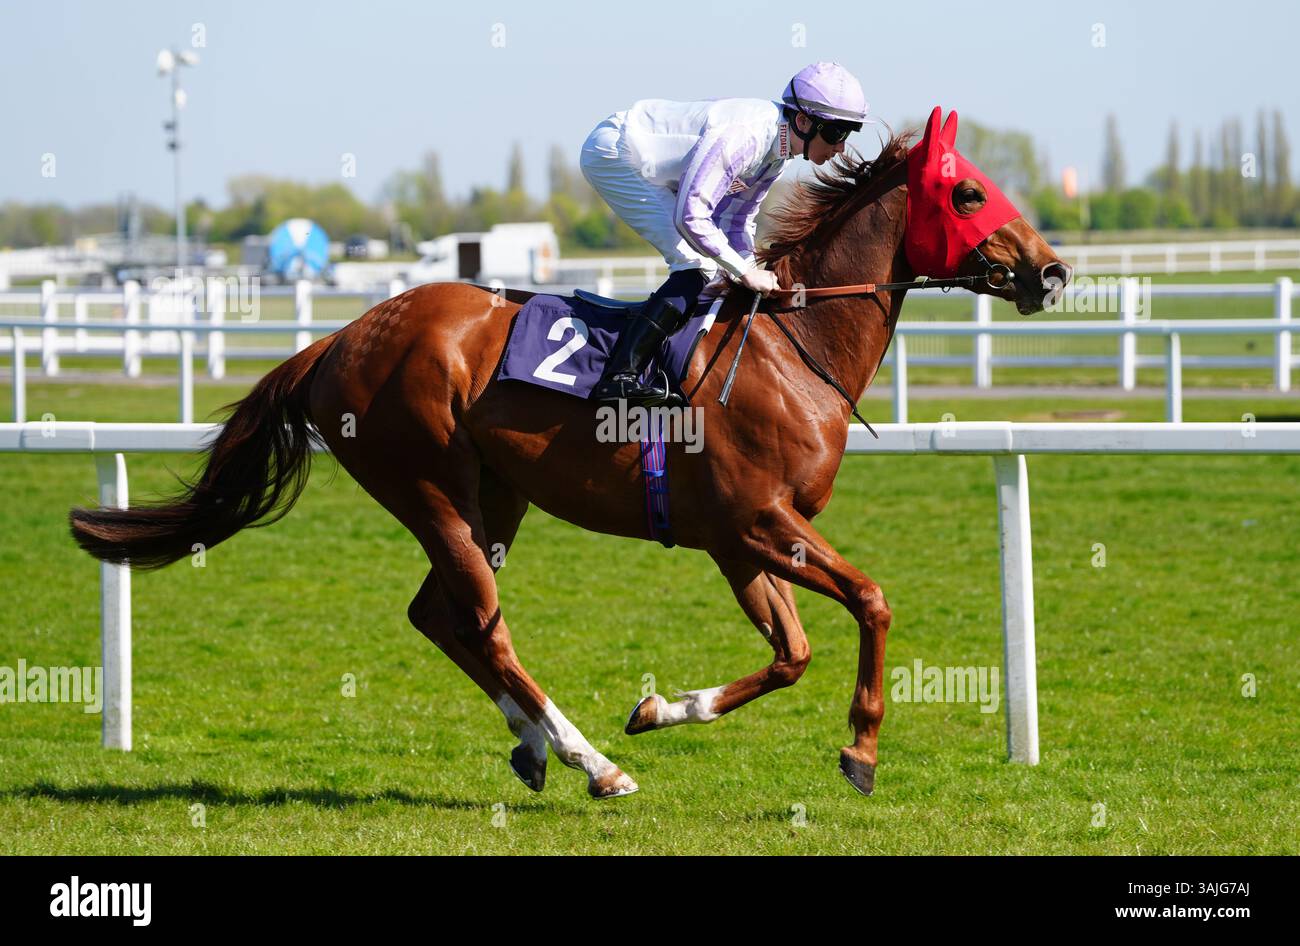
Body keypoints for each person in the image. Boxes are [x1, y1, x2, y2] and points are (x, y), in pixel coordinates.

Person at [579, 62, 869, 407]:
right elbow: (691, 216)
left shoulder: (779, 153)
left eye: (848, 135)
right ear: (803, 121)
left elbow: (736, 221)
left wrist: (752, 269)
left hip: (654, 164)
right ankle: (620, 377)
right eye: (836, 134)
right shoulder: (746, 136)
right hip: (615, 153)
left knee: (715, 267)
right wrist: (744, 271)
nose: (840, 148)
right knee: (695, 264)